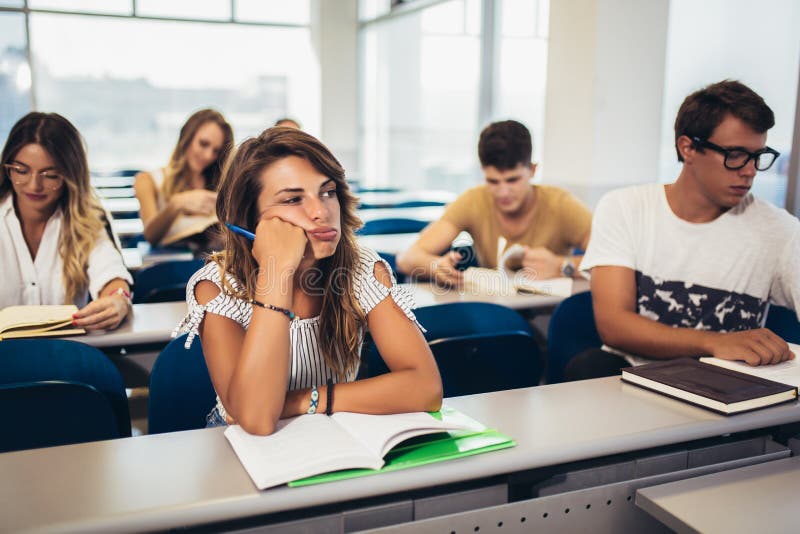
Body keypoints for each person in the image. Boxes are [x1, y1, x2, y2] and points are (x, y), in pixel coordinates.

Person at [174, 127, 442, 436]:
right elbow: (257, 419)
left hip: (334, 431)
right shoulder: (216, 286)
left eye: (327, 192)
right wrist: (277, 273)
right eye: (292, 199)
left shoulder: (362, 267)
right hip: (243, 449)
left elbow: (426, 387)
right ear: (251, 220)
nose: (320, 211)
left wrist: (304, 399)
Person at [567, 80, 800, 381]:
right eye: (736, 155)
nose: (750, 170)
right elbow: (615, 326)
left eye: (757, 156)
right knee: (589, 367)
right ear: (688, 147)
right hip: (634, 380)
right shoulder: (626, 207)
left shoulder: (779, 230)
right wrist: (715, 342)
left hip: (726, 392)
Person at [396, 120, 592, 285]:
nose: (503, 192)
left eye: (513, 180)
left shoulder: (561, 205)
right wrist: (434, 266)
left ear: (532, 170)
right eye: (493, 181)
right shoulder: (474, 200)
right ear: (483, 172)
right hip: (497, 309)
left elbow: (617, 263)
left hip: (549, 315)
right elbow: (406, 258)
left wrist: (562, 266)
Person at [0, 112, 132, 330]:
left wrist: (118, 299)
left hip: (65, 356)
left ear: (70, 176)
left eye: (50, 175)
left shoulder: (87, 220)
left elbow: (111, 275)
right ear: (7, 168)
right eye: (21, 171)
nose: (34, 186)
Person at [134, 109, 233, 251]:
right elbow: (150, 236)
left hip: (210, 264)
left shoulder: (219, 183)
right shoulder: (147, 180)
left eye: (216, 151)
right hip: (169, 268)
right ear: (186, 137)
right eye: (203, 144)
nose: (208, 156)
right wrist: (176, 205)